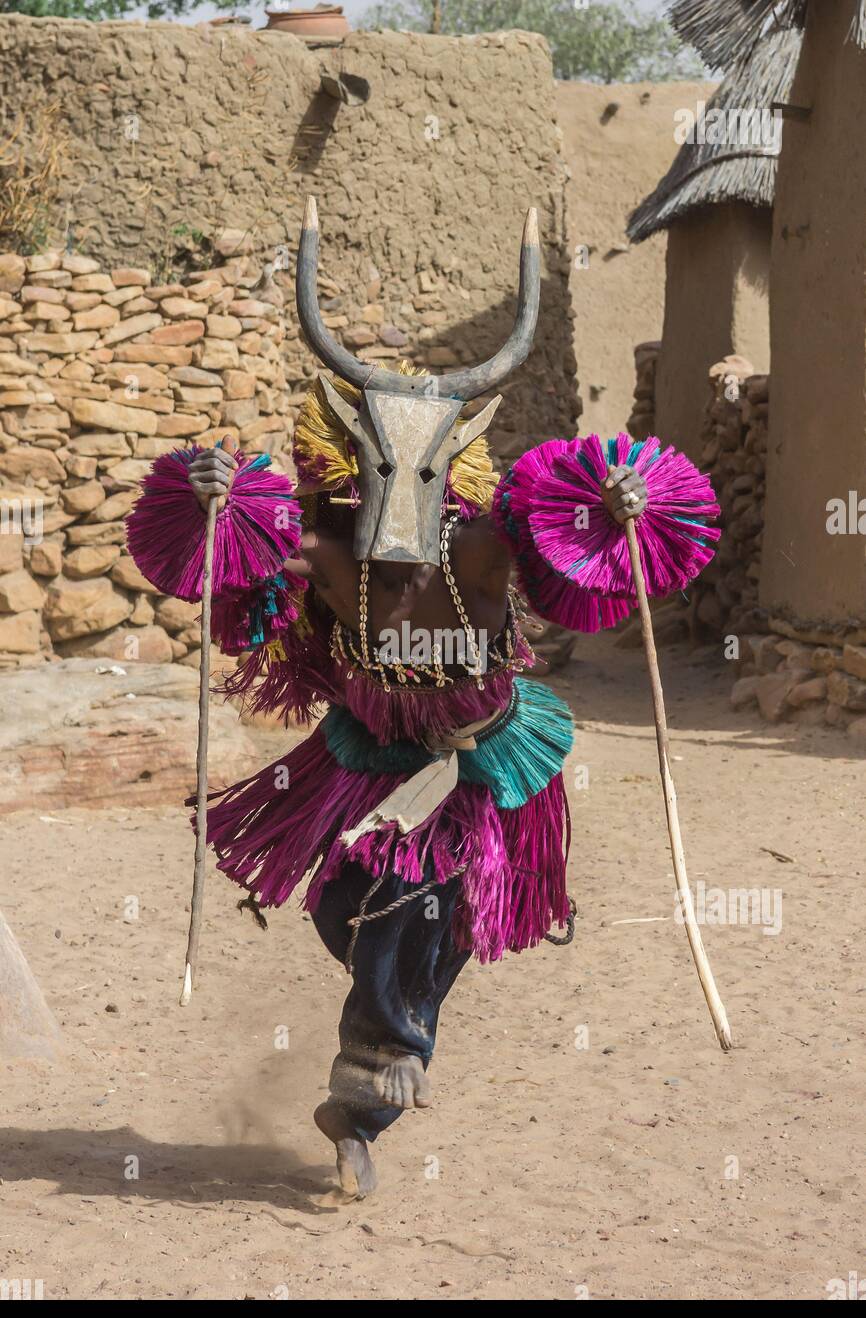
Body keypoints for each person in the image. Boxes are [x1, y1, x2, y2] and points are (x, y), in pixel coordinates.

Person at [127, 201, 716, 1198]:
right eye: (381, 469)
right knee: (349, 909)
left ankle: (368, 1089)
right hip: (363, 754)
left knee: (419, 898)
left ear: (456, 463)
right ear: (355, 461)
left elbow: (590, 540)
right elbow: (226, 565)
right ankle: (386, 1051)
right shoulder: (320, 558)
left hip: (473, 757)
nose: (405, 500)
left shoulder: (483, 550)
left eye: (427, 472)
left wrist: (624, 505)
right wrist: (206, 490)